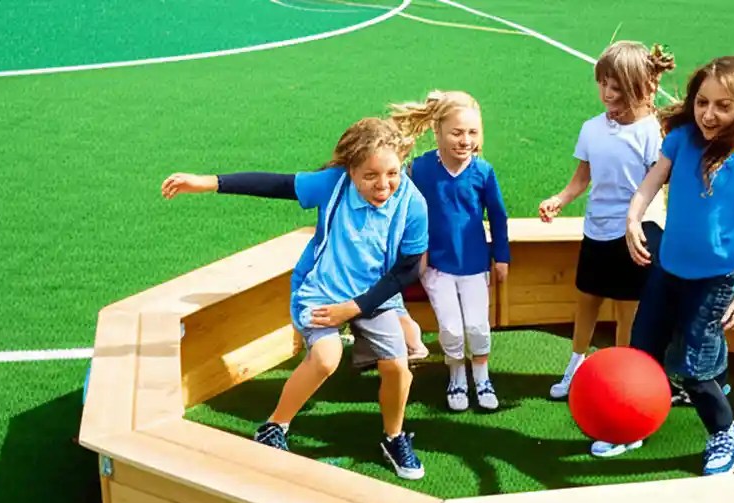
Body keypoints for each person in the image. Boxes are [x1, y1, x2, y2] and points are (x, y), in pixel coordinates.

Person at [159, 117, 431, 480]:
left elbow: (408, 271)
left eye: (392, 174)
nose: (383, 185)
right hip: (321, 289)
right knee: (325, 357)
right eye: (370, 176)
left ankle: (394, 437)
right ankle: (274, 426)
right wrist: (209, 182)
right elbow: (276, 184)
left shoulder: (413, 204)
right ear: (350, 170)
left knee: (397, 366)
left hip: (372, 295)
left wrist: (353, 309)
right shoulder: (332, 185)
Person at [623, 55, 734, 475]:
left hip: (713, 280)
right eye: (702, 103)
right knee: (643, 351)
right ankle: (637, 419)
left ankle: (724, 432)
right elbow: (651, 182)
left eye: (723, 106)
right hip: (667, 268)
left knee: (692, 367)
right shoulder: (681, 139)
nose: (708, 114)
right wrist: (632, 218)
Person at [538, 41, 676, 427]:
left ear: (640, 87)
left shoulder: (653, 133)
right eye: (603, 85)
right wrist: (560, 199)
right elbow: (582, 177)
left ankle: (622, 381)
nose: (608, 94)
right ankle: (576, 367)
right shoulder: (591, 128)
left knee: (627, 311)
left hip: (638, 235)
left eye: (616, 87)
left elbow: (659, 185)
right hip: (596, 230)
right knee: (587, 300)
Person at [390, 90, 511, 411]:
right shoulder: (420, 169)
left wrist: (502, 256)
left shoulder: (483, 171)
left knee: (476, 325)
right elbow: (406, 213)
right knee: (452, 328)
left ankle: (482, 376)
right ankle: (457, 375)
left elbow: (498, 215)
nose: (465, 140)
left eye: (472, 132)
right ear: (438, 132)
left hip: (474, 265)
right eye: (456, 133)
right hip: (437, 267)